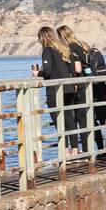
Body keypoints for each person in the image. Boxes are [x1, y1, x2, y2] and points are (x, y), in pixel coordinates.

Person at [33, 26, 82, 154]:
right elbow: (73, 69)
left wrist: (37, 73)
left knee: (58, 121)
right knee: (69, 119)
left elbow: (48, 71)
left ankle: (64, 151)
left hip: (55, 91)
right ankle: (75, 150)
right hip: (69, 89)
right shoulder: (63, 48)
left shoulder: (47, 50)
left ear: (42, 38)